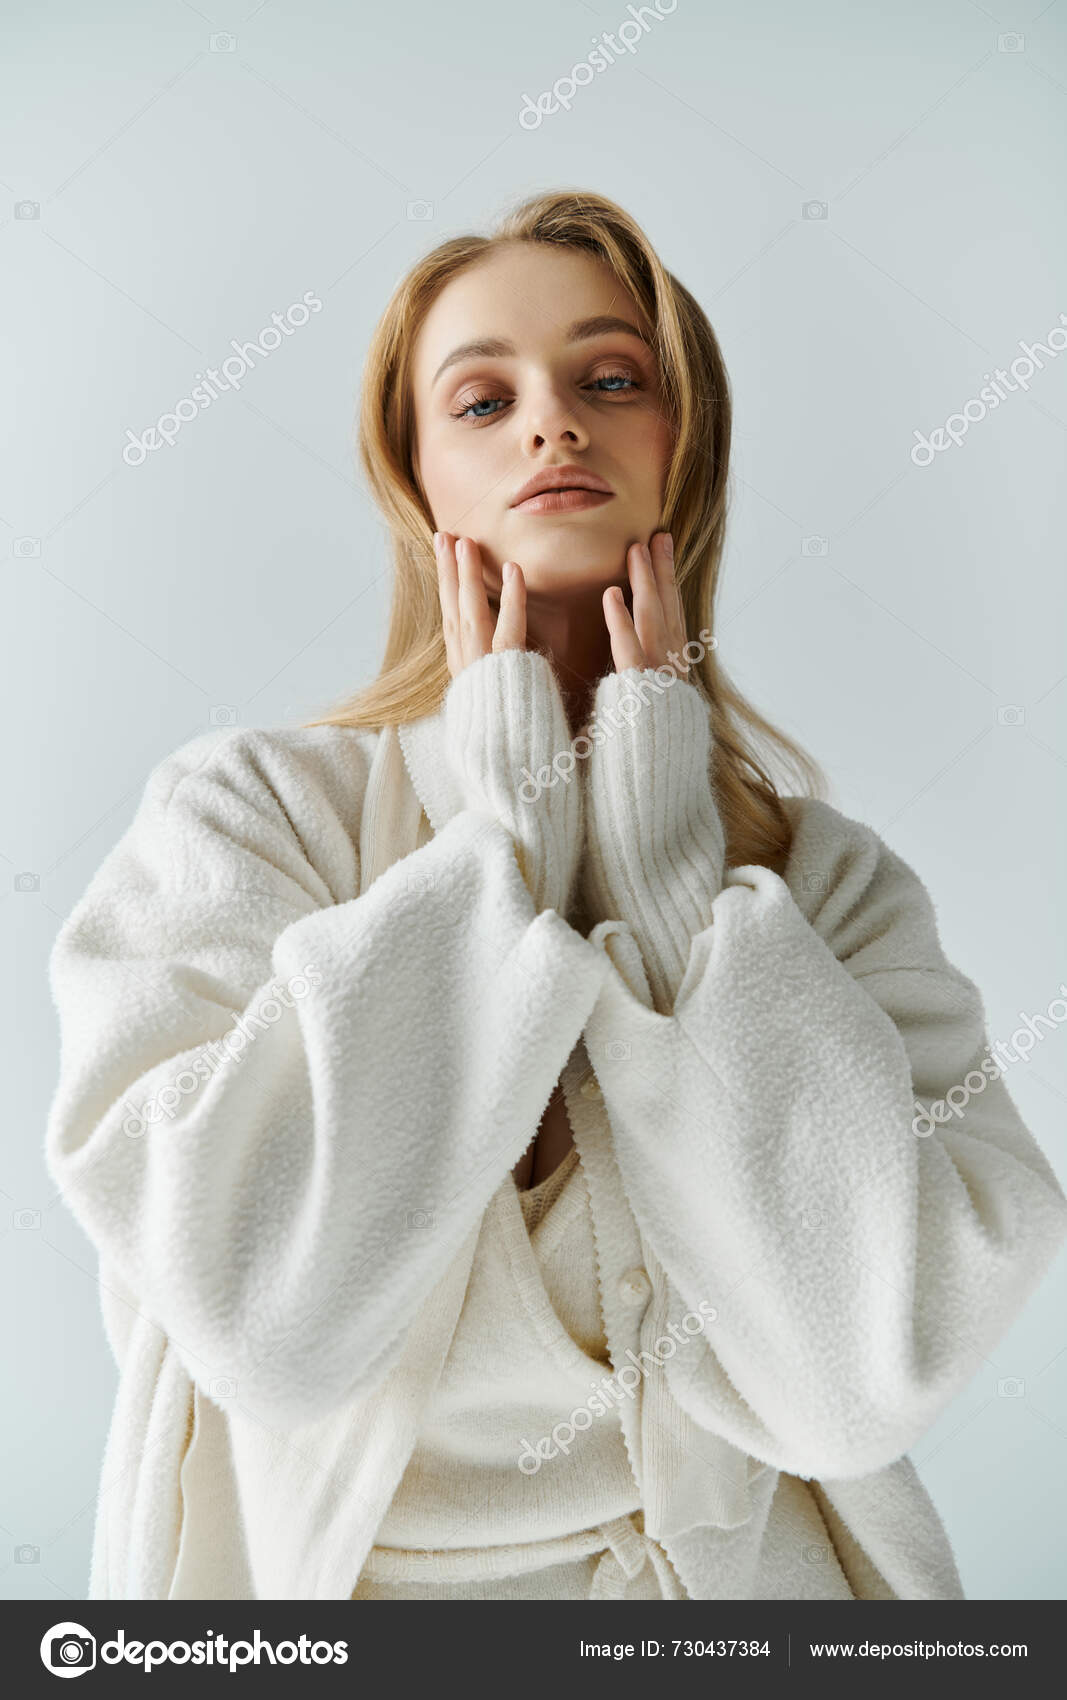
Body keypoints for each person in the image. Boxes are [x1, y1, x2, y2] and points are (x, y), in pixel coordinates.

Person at [45, 189, 1067, 1601]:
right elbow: (263, 1320)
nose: (553, 424)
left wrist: (668, 886)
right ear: (411, 479)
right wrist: (505, 841)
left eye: (610, 379)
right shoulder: (247, 820)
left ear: (683, 453)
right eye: (482, 398)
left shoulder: (831, 890)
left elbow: (856, 1386)